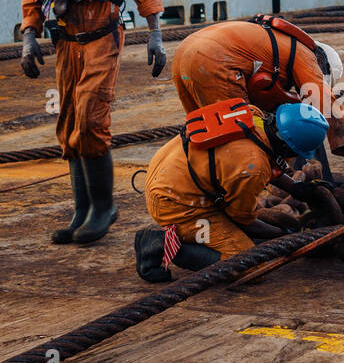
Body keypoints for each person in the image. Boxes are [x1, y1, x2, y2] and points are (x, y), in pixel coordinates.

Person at [19, 0, 167, 245]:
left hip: (103, 38)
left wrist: (155, 35)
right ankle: (82, 210)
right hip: (66, 44)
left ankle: (104, 208)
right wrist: (29, 37)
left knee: (90, 117)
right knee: (68, 125)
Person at [168, 18, 344, 196]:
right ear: (321, 62)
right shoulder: (307, 57)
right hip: (215, 60)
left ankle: (196, 186)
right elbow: (328, 107)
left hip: (183, 54)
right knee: (241, 139)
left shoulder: (276, 47)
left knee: (203, 132)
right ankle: (240, 198)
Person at [135, 101, 330, 281]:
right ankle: (161, 245)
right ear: (287, 147)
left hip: (167, 172)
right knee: (251, 267)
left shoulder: (254, 117)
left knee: (242, 235)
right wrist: (285, 235)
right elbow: (245, 219)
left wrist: (296, 188)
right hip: (176, 204)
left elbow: (264, 159)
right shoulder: (253, 167)